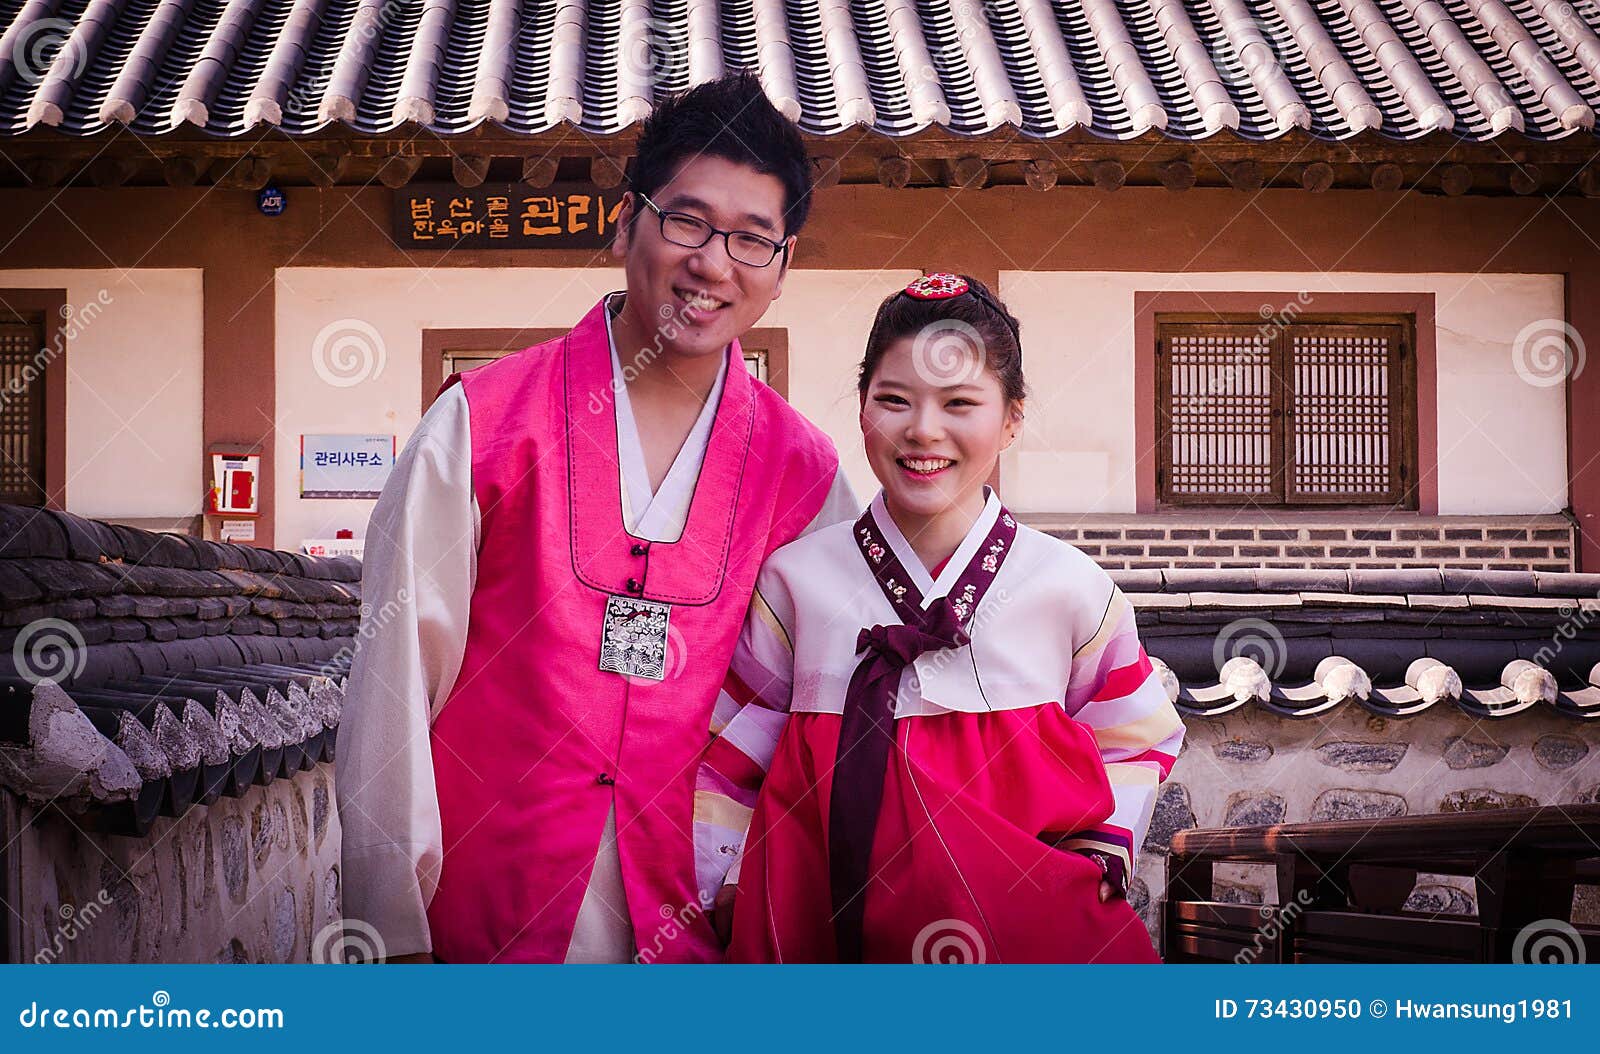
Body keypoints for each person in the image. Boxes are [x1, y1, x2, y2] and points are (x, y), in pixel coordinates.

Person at [336, 72, 856, 964]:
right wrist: (389, 932)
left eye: (751, 239)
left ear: (785, 266)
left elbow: (824, 712)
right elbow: (393, 691)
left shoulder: (804, 476)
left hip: (703, 930)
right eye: (686, 220)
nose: (712, 262)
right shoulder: (482, 427)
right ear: (627, 222)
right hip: (481, 920)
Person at [697, 274, 1184, 963]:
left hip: (1023, 939)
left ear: (1012, 417)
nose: (923, 431)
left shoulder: (1070, 589)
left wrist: (1096, 860)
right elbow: (728, 754)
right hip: (814, 930)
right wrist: (726, 883)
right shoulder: (794, 583)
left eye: (960, 403)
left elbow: (1136, 737)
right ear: (862, 406)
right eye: (893, 400)